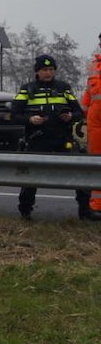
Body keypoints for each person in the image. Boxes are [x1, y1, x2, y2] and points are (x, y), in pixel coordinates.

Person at [11, 54, 99, 221]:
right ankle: (25, 210)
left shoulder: (63, 88)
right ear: (37, 71)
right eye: (44, 70)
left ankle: (85, 210)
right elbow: (14, 115)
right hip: (37, 140)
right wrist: (30, 120)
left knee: (80, 173)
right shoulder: (27, 89)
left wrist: (70, 116)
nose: (48, 73)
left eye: (51, 70)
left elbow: (79, 112)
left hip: (62, 139)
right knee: (31, 178)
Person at [82, 34, 101, 212]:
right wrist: (82, 112)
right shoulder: (94, 65)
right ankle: (96, 206)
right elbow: (89, 92)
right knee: (95, 163)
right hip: (95, 123)